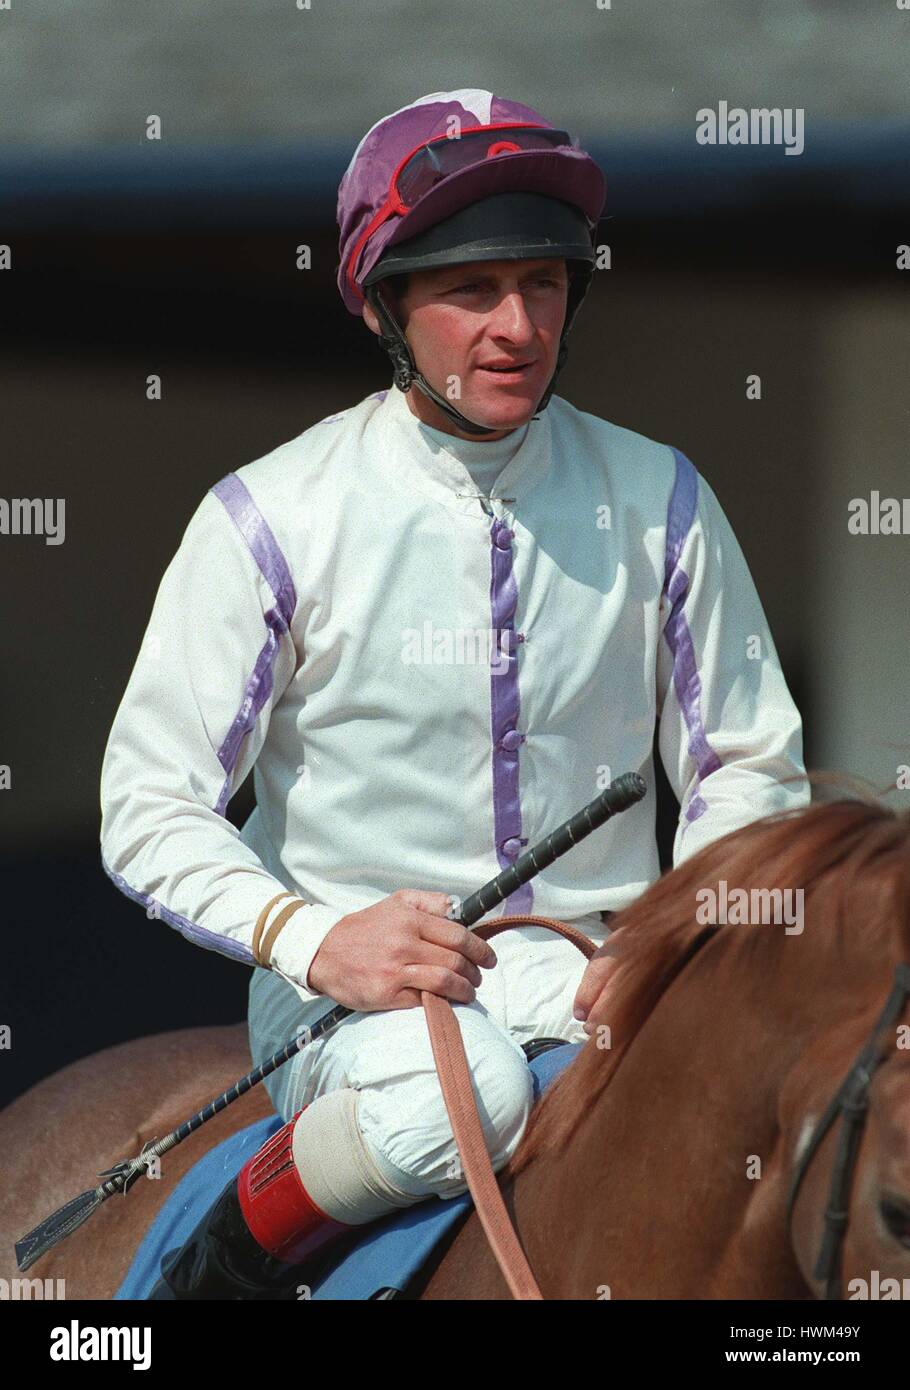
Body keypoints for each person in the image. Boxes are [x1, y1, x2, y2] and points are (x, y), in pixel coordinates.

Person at [99, 90, 809, 1299]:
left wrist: (667, 937)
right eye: (470, 291)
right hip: (348, 998)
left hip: (604, 976)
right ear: (386, 304)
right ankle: (215, 1273)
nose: (516, 325)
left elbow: (749, 762)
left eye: (542, 283)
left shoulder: (664, 496)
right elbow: (147, 805)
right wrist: (318, 938)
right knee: (461, 1093)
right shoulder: (269, 516)